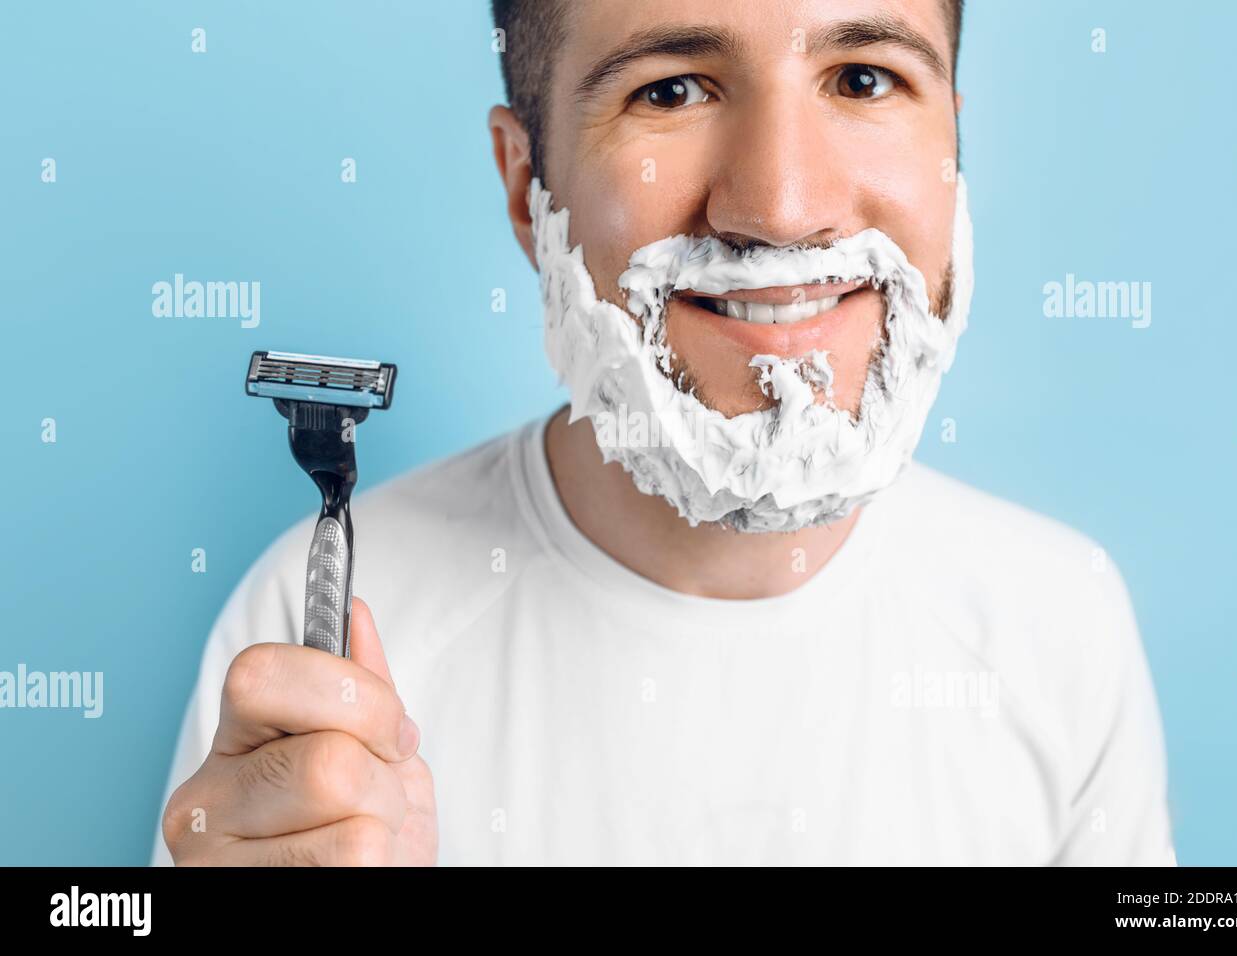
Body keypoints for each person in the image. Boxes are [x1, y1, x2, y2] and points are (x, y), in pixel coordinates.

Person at [153, 0, 1176, 866]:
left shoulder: (1060, 627)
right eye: (671, 91)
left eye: (862, 80)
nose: (781, 208)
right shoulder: (315, 635)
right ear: (527, 188)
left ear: (953, 151)